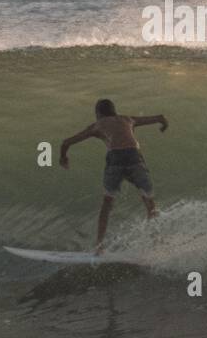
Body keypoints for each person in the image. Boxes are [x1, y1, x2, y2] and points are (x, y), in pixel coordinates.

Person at [60, 99, 168, 252]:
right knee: (149, 202)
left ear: (98, 114)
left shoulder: (98, 125)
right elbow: (160, 117)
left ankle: (99, 247)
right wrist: (164, 125)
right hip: (134, 157)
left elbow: (66, 142)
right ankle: (157, 244)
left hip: (115, 160)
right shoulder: (127, 119)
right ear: (114, 111)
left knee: (107, 204)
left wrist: (63, 158)